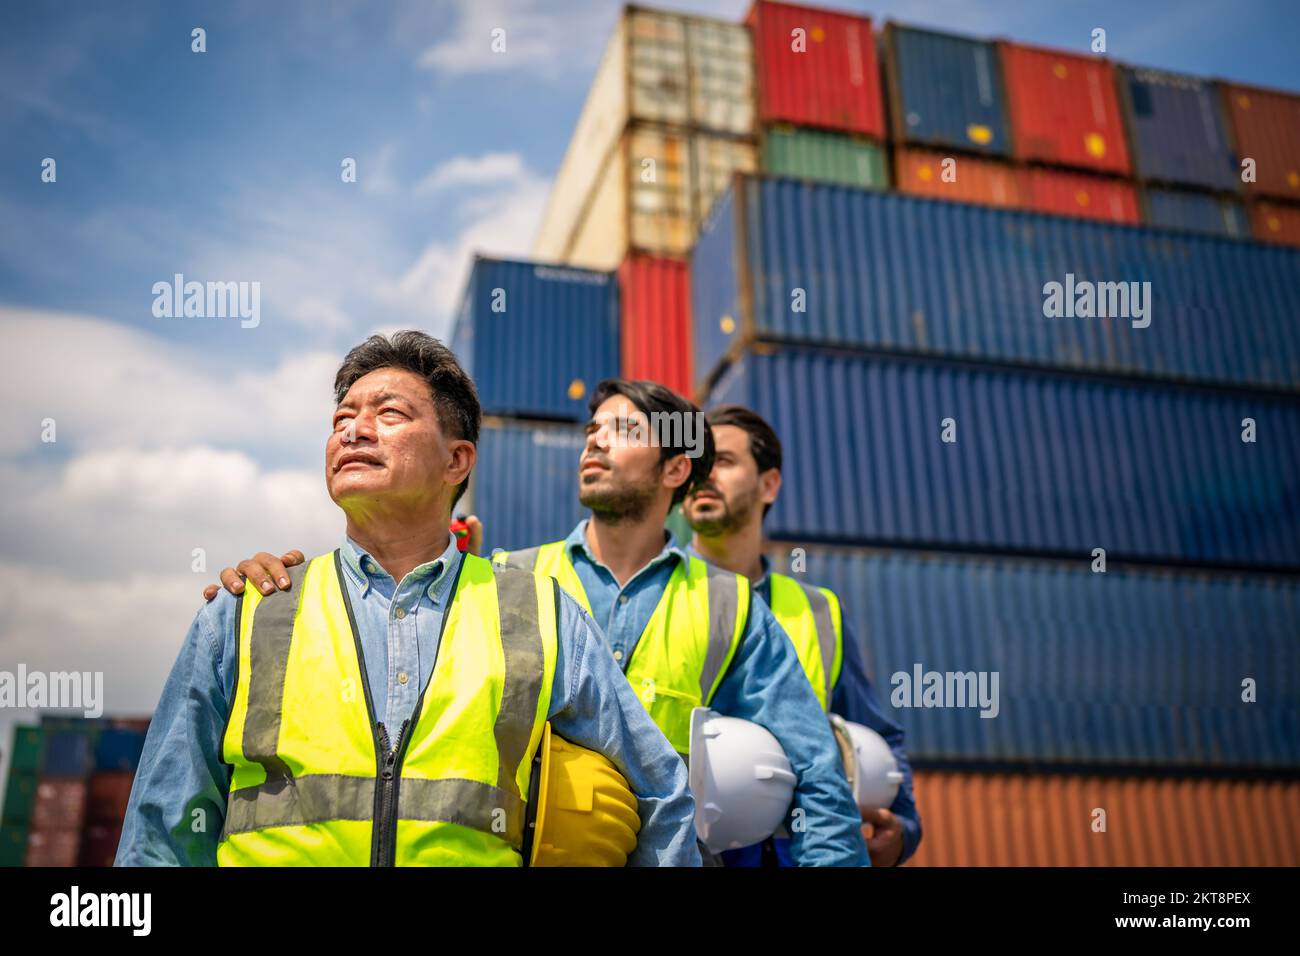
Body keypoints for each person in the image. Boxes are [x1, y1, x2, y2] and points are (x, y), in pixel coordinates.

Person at [218, 379, 869, 866]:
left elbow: (817, 774)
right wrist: (278, 582)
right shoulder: (510, 580)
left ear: (676, 468)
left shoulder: (732, 606)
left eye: (623, 431)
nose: (594, 441)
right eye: (592, 430)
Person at [119, 332, 700, 866]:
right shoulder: (244, 611)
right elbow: (160, 832)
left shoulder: (543, 615)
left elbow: (662, 795)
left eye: (389, 414)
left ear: (456, 460)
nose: (353, 430)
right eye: (342, 418)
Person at [682, 405, 923, 868]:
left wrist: (904, 830)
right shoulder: (656, 595)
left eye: (725, 461)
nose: (704, 474)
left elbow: (877, 734)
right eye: (698, 460)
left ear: (769, 484)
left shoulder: (819, 611)